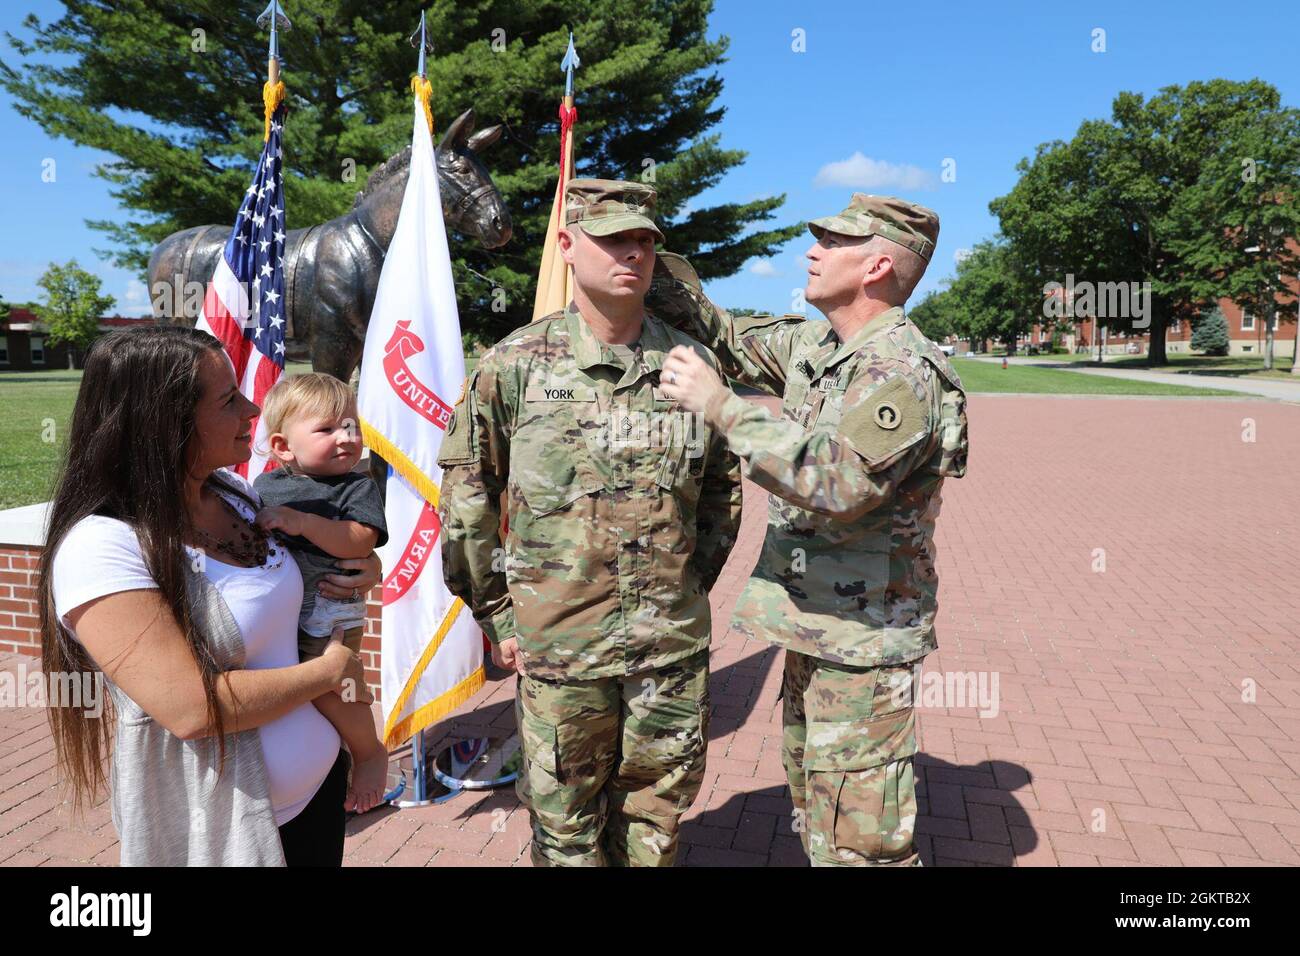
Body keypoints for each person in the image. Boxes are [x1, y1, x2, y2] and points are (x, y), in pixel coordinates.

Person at [655, 193, 969, 866]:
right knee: (818, 818)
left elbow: (836, 485)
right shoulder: (818, 345)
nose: (812, 251)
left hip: (863, 647)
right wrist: (643, 254)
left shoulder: (903, 372)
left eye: (834, 242)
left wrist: (719, 407)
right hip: (814, 628)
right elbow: (726, 337)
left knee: (864, 847)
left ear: (878, 266)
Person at [437, 178, 744, 866]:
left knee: (656, 824)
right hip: (559, 650)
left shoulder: (691, 368)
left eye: (644, 240)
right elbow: (465, 499)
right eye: (614, 239)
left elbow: (722, 495)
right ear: (569, 246)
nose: (633, 253)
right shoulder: (514, 365)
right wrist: (499, 616)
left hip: (668, 654)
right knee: (566, 832)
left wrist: (683, 591)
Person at [39, 326, 383, 866]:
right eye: (228, 399)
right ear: (165, 421)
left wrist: (366, 563)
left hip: (316, 801)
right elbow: (192, 710)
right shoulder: (102, 546)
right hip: (221, 831)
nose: (252, 408)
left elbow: (315, 560)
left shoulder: (235, 494)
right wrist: (330, 671)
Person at [253, 372, 390, 814]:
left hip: (329, 609)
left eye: (350, 425)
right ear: (282, 446)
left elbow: (360, 540)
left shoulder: (357, 485)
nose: (346, 437)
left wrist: (304, 523)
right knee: (291, 688)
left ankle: (369, 751)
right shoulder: (265, 488)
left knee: (334, 684)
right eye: (327, 429)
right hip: (283, 617)